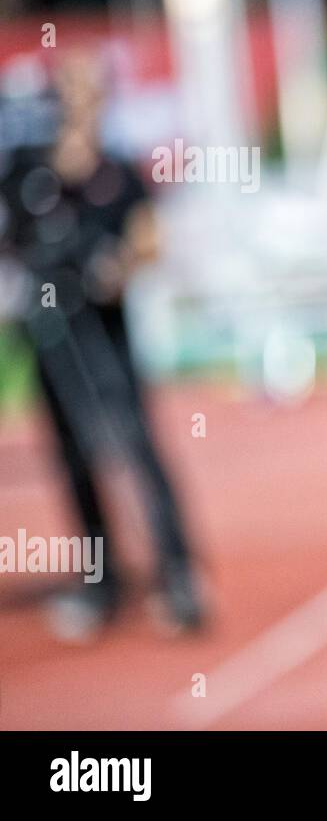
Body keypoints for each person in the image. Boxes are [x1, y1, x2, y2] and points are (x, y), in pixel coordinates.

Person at [0, 48, 205, 640]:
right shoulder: (27, 171)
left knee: (135, 447)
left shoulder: (118, 172)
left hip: (106, 335)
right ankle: (101, 580)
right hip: (49, 334)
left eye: (89, 89)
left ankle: (177, 573)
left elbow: (147, 238)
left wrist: (119, 266)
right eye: (69, 89)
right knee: (72, 457)